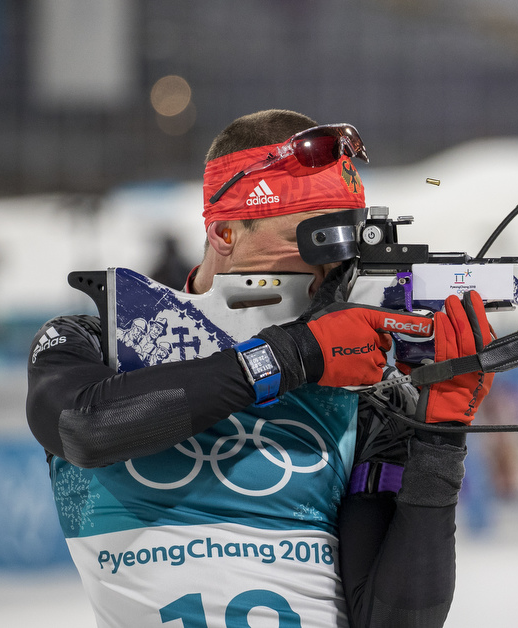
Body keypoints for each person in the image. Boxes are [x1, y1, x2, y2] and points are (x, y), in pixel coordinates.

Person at [26, 109, 493, 627]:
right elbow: (84, 429)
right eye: (309, 240)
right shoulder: (97, 345)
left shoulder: (361, 396)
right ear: (225, 233)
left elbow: (393, 622)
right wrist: (292, 355)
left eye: (345, 249)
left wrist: (440, 441)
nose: (327, 273)